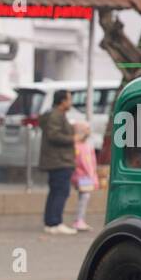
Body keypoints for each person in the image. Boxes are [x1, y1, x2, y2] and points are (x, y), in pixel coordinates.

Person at [41, 90, 78, 235]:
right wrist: (73, 138)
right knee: (61, 191)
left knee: (55, 191)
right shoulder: (56, 115)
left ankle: (51, 222)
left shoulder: (56, 115)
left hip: (57, 159)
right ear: (62, 101)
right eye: (69, 100)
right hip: (60, 159)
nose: (70, 103)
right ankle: (55, 222)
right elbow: (54, 135)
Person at [70, 119, 97, 232]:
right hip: (82, 176)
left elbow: (92, 162)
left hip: (87, 176)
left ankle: (80, 219)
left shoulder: (87, 145)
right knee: (84, 197)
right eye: (86, 129)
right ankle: (79, 220)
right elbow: (81, 162)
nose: (88, 131)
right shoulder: (77, 146)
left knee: (85, 197)